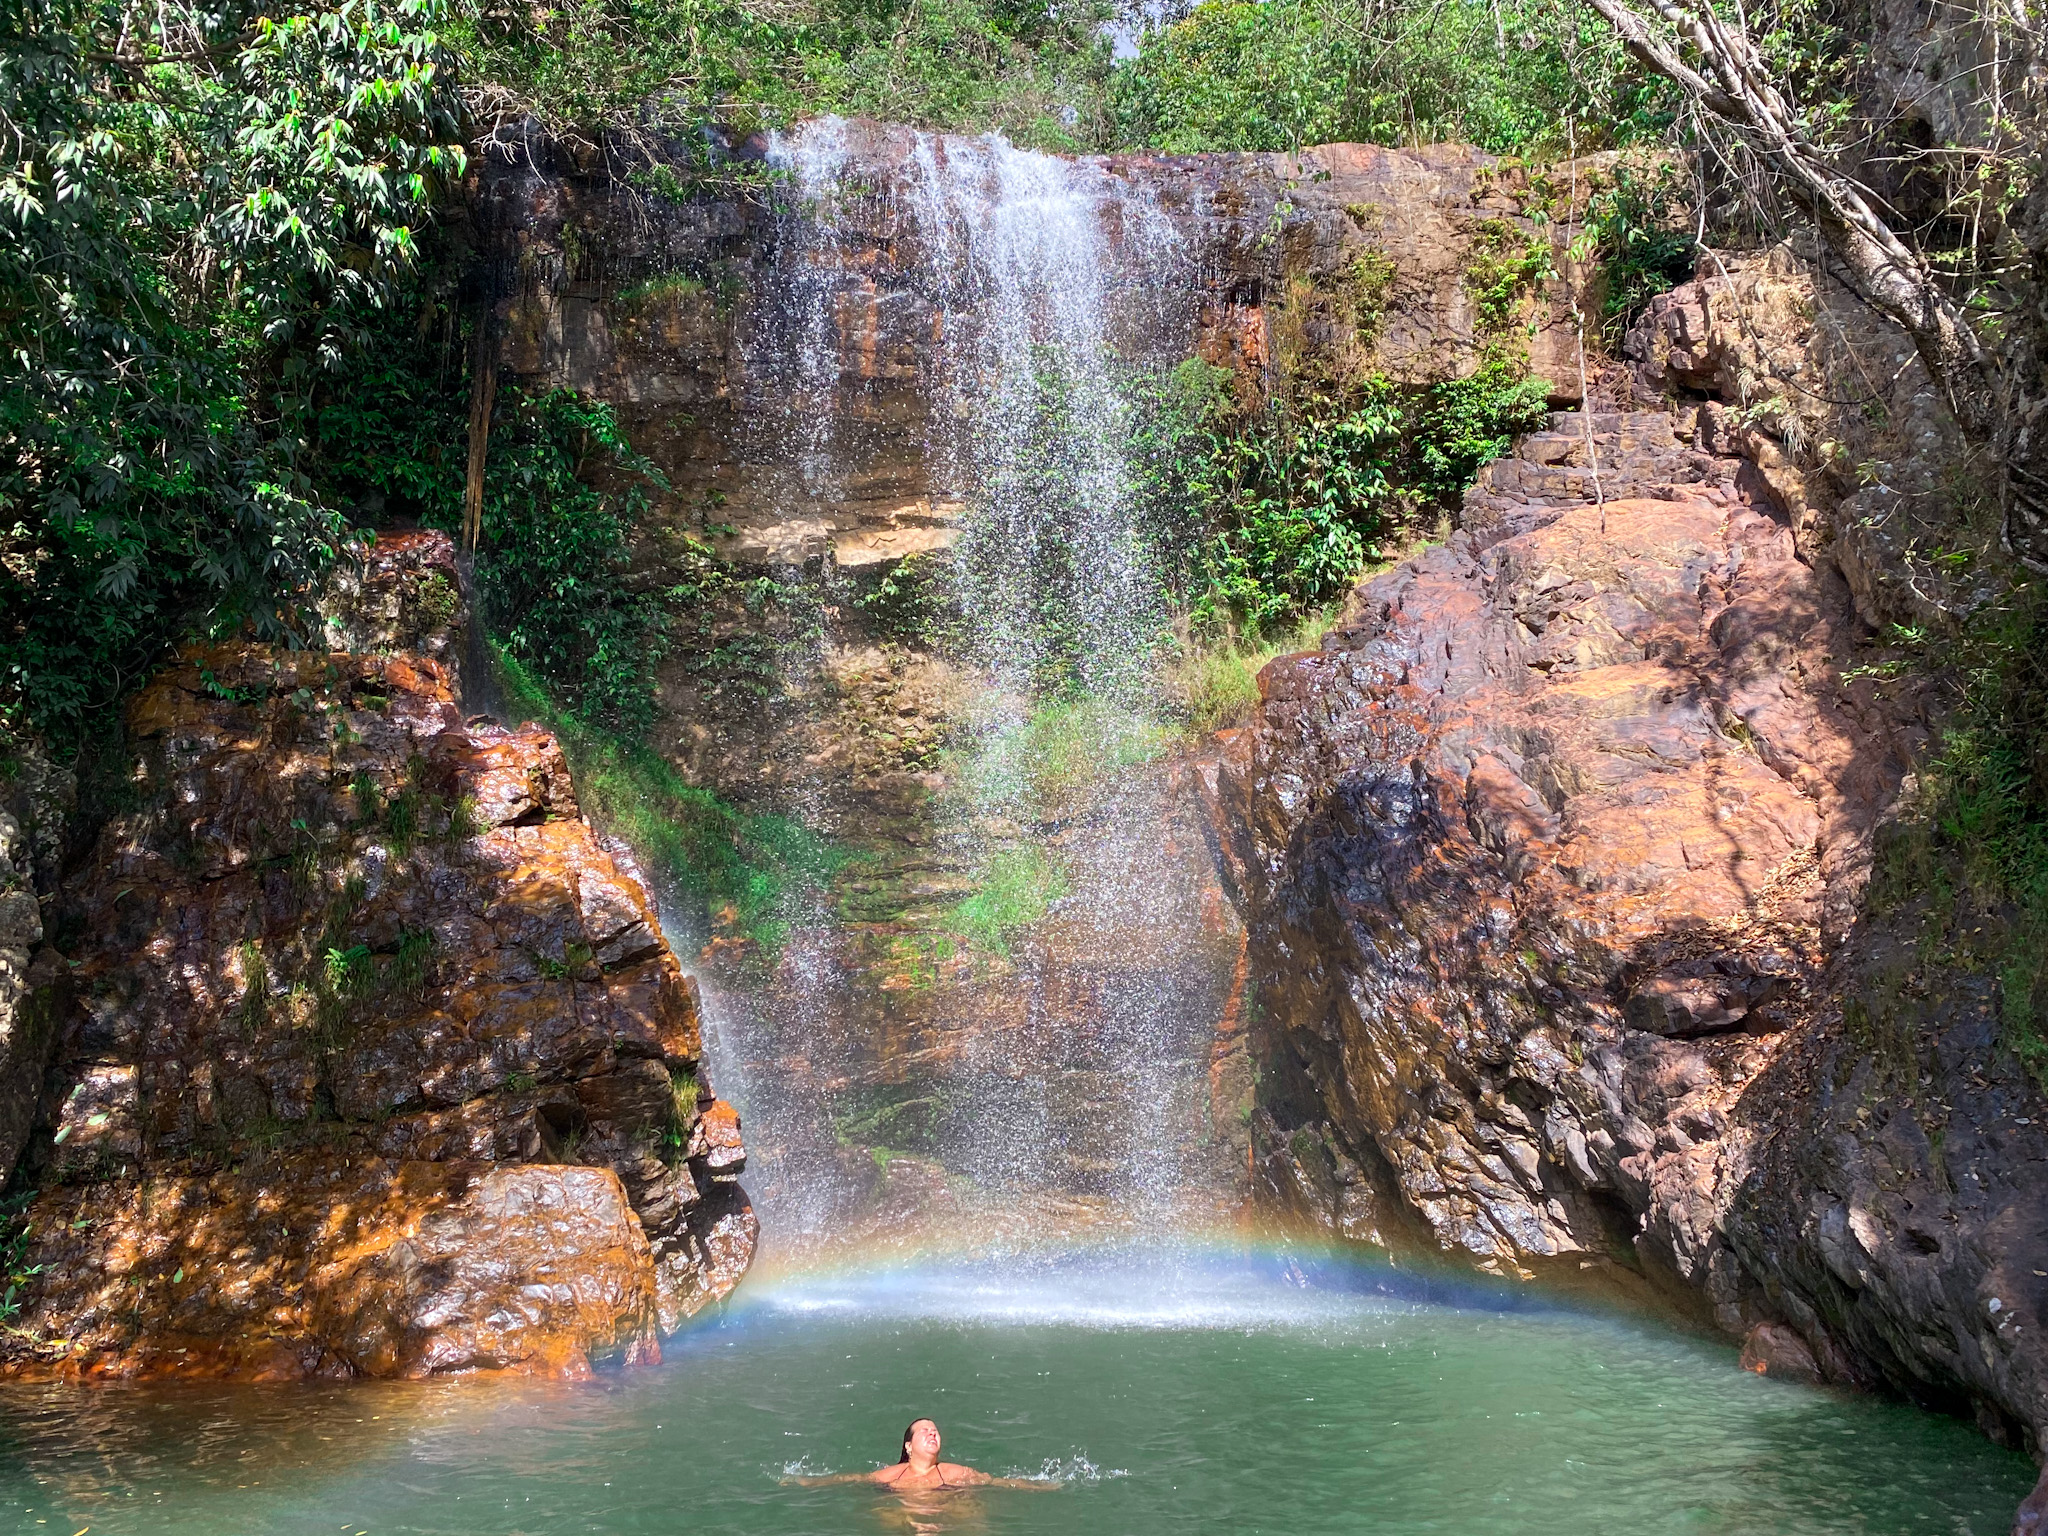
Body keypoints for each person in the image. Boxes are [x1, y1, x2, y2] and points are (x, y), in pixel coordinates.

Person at [784, 1418, 1063, 1492]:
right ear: (908, 1446)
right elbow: (852, 1479)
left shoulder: (955, 1472)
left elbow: (998, 1482)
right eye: (924, 1431)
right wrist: (807, 1482)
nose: (932, 1433)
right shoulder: (891, 1475)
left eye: (935, 1430)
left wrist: (1039, 1486)